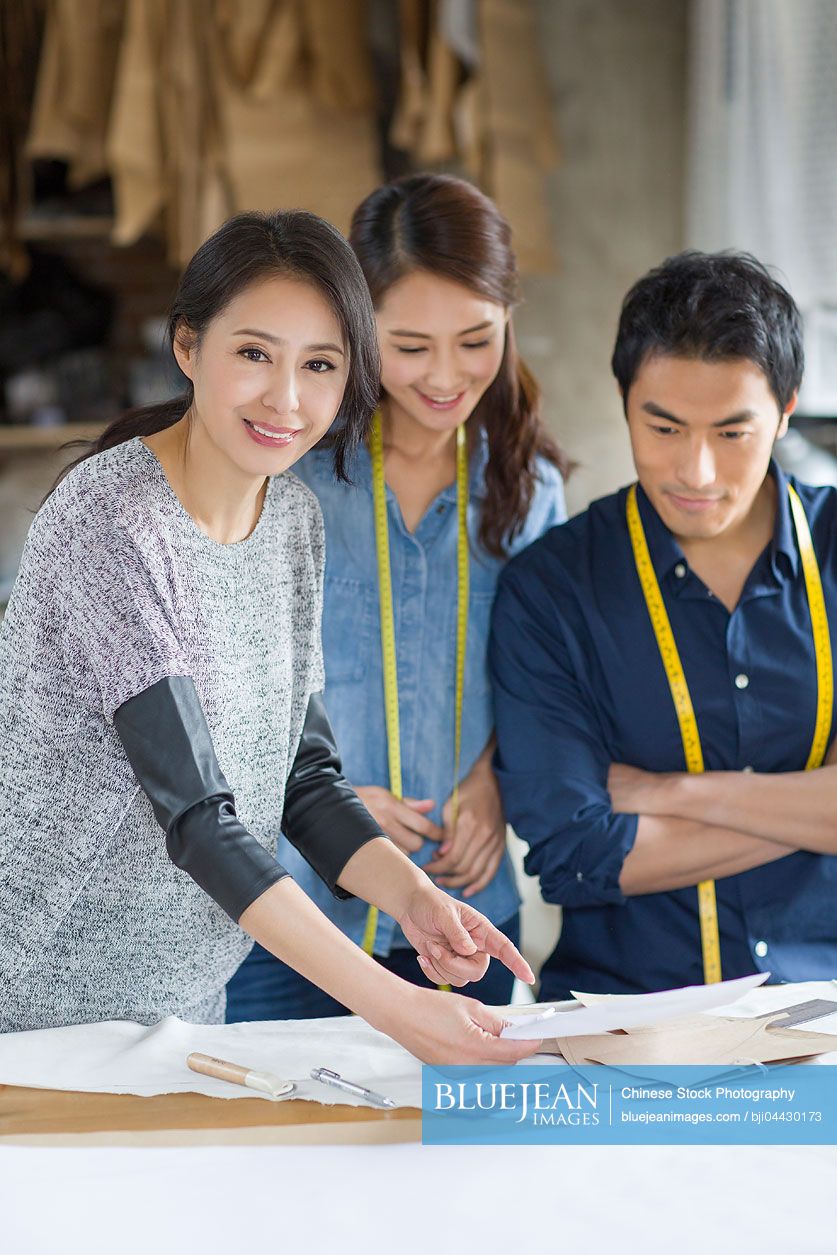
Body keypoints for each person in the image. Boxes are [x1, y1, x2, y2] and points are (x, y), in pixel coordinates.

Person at [0, 208, 543, 1066]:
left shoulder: (289, 516)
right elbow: (200, 817)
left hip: (183, 1003)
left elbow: (303, 774)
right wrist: (395, 1006)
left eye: (319, 365)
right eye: (254, 353)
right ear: (188, 348)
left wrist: (414, 898)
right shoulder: (112, 522)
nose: (286, 399)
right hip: (44, 1003)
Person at [226, 174, 569, 1021]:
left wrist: (490, 781)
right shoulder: (285, 476)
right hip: (295, 905)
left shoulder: (530, 492)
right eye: (409, 345)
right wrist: (324, 807)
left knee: (461, 1148)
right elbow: (223, 692)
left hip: (468, 906)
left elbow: (543, 686)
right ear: (356, 329)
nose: (446, 377)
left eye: (476, 339)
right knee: (280, 1148)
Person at [490, 251, 837, 999]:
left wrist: (667, 792)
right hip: (624, 1024)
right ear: (624, 401)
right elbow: (574, 852)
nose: (696, 472)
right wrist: (810, 807)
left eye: (731, 433)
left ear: (784, 411)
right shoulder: (550, 589)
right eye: (665, 427)